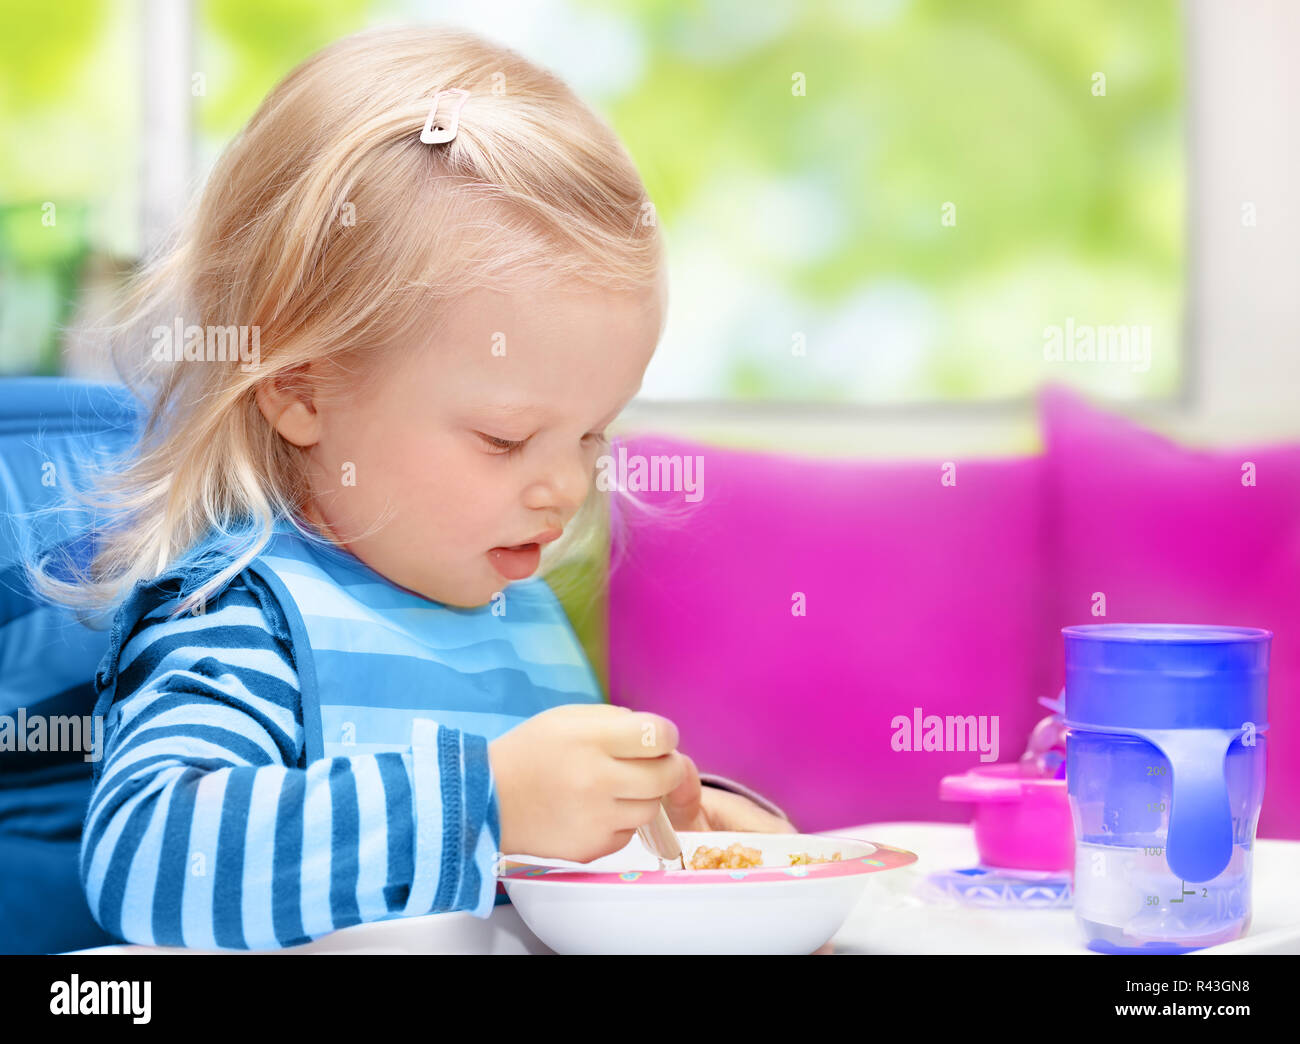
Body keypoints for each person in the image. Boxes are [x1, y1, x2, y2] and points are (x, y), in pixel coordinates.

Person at [34, 25, 791, 950]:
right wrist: (487, 805)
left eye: (592, 434)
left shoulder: (519, 619)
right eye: (505, 438)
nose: (564, 486)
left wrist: (677, 820)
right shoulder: (243, 620)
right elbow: (150, 862)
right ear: (299, 388)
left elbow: (543, 884)